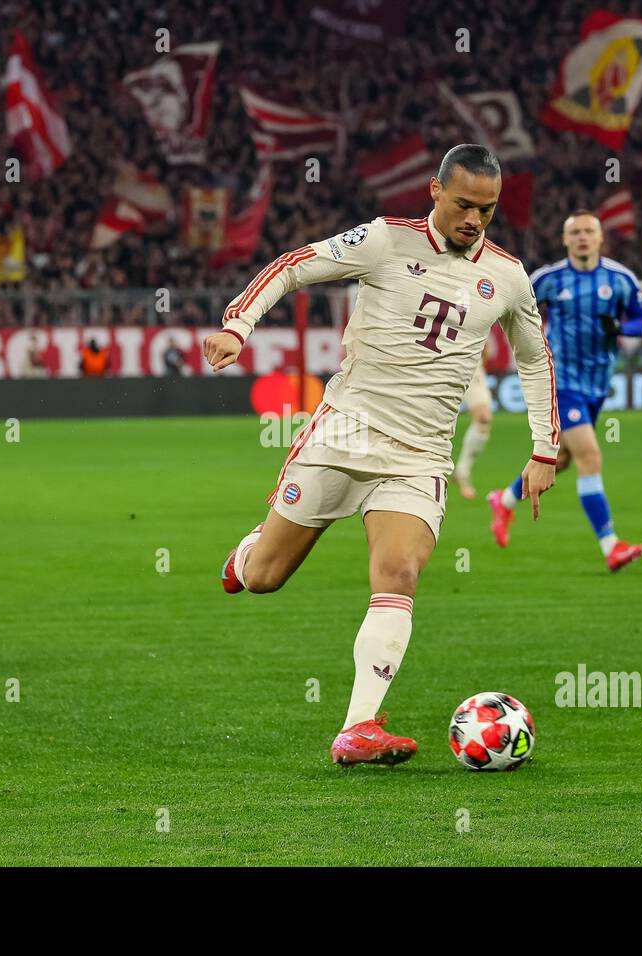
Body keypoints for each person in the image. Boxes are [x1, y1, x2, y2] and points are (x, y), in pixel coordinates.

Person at [203, 145, 559, 766]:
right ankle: (249, 550)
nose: (475, 219)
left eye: (488, 210)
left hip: (419, 456)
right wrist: (239, 324)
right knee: (264, 578)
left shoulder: (507, 277)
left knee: (399, 574)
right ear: (435, 191)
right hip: (343, 436)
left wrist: (543, 449)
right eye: (464, 205)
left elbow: (533, 358)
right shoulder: (384, 241)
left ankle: (357, 727)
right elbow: (292, 266)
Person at [487, 210, 642, 572]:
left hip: (597, 385)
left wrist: (620, 325)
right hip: (560, 380)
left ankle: (505, 499)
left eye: (588, 231)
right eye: (574, 232)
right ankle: (611, 545)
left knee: (561, 460)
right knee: (590, 456)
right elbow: (512, 306)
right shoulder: (548, 278)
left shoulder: (620, 279)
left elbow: (641, 321)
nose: (582, 237)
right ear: (564, 240)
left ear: (600, 237)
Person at [452, 338, 496, 499]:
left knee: (483, 419)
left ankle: (462, 473)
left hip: (469, 363)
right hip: (439, 361)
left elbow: (486, 347)